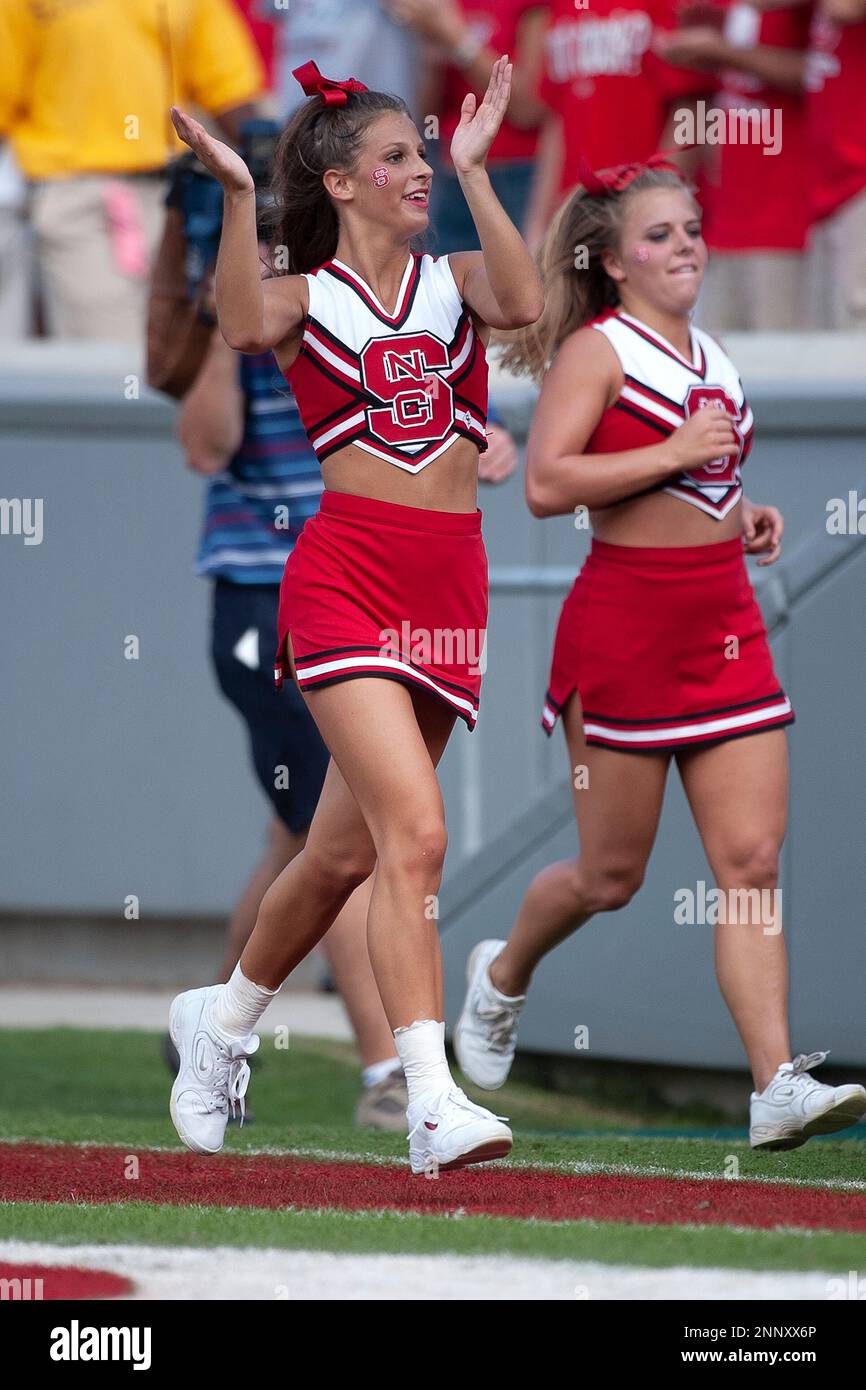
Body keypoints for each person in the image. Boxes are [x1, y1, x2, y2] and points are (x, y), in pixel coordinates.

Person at [166, 57, 544, 1174]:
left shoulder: (456, 278)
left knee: (336, 857)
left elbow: (525, 306)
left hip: (446, 583)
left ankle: (221, 1021)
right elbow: (238, 321)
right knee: (414, 838)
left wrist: (478, 173)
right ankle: (428, 1097)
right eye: (398, 159)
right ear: (337, 182)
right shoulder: (303, 295)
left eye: (422, 156)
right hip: (342, 577)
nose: (418, 173)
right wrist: (239, 194)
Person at [454, 158, 866, 1152]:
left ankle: (772, 1081)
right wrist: (678, 454)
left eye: (689, 228)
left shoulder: (712, 356)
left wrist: (742, 513)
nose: (683, 245)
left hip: (721, 625)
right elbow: (547, 485)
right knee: (609, 875)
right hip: (625, 630)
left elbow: (703, 481)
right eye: (657, 235)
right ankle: (500, 972)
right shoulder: (596, 351)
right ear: (610, 262)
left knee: (750, 860)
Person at [146, 148, 410, 1128]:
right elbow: (205, 445)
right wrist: (231, 321)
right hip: (264, 602)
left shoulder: (349, 311)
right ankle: (385, 1068)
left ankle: (203, 1034)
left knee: (296, 832)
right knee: (336, 837)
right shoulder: (235, 323)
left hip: (359, 588)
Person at [0, 0, 264, 339]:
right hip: (81, 199)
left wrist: (279, 165)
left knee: (185, 359)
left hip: (175, 197)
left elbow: (230, 90)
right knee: (112, 364)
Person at [656, 0, 811, 331]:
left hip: (787, 225)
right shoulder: (727, 11)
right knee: (725, 365)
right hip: (723, 226)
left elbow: (817, 73)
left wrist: (724, 51)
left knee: (786, 368)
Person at [523, 0, 710, 249]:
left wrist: (655, 209)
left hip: (641, 217)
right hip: (577, 217)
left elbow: (692, 109)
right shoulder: (564, 7)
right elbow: (557, 119)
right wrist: (538, 226)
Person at [804, 0, 866, 327]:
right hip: (831, 177)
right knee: (828, 335)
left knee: (855, 336)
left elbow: (843, 7)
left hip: (859, 175)